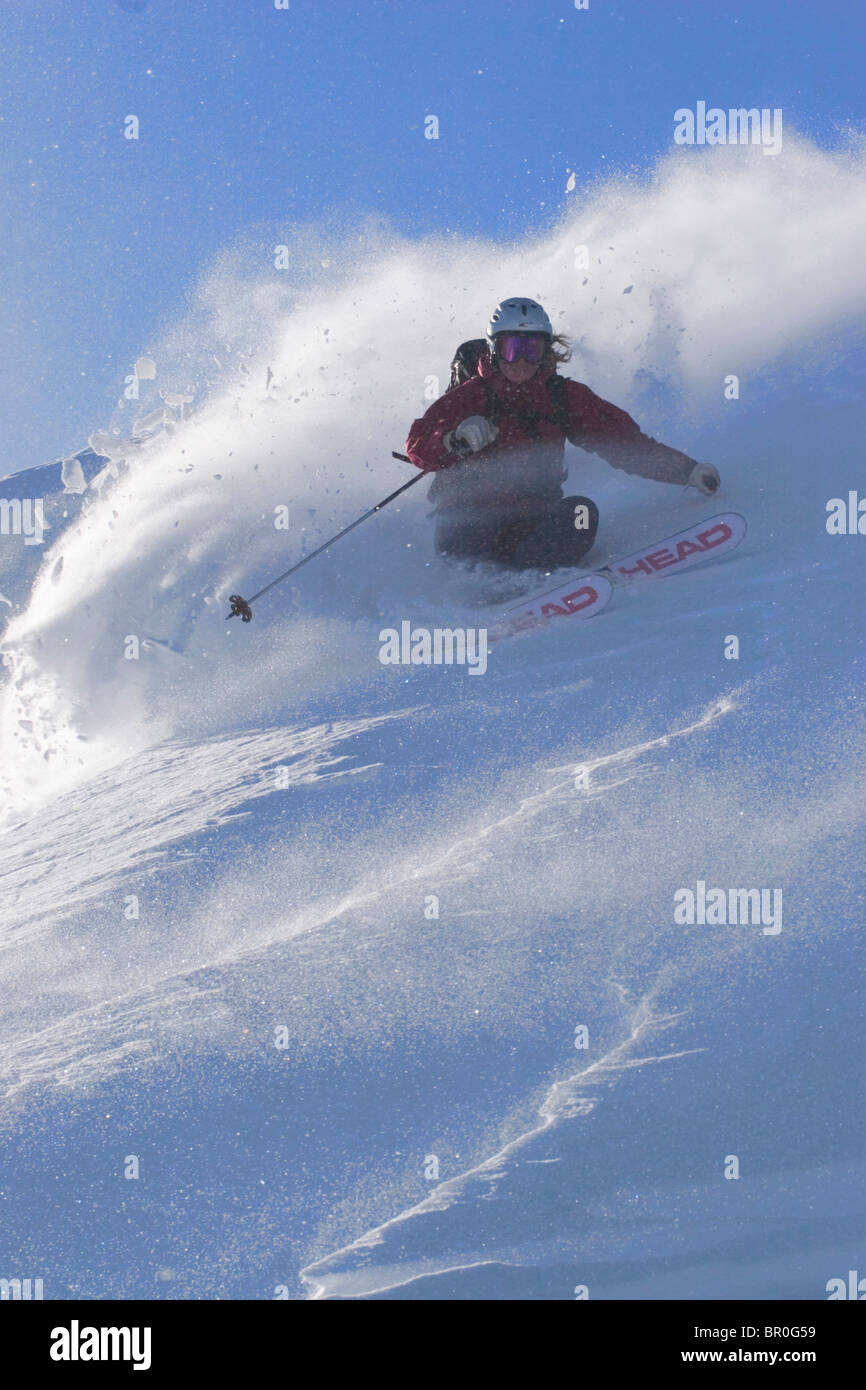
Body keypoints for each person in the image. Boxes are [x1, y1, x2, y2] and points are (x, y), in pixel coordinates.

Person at [405, 297, 720, 570]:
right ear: (494, 350)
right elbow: (418, 444)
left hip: (531, 520)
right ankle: (484, 583)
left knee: (581, 513)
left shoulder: (562, 397)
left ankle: (530, 581)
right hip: (469, 521)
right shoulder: (472, 395)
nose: (522, 361)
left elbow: (624, 444)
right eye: (511, 348)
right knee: (467, 534)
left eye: (532, 348)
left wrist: (687, 471)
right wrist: (453, 438)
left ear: (546, 351)